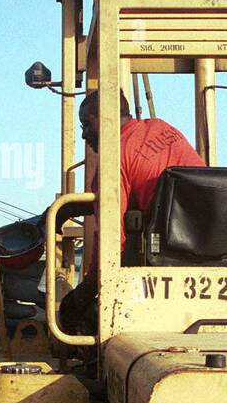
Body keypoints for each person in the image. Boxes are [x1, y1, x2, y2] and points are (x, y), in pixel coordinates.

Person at [60, 90, 204, 331]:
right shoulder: (163, 128)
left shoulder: (113, 160)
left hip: (168, 256)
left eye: (86, 124)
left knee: (82, 315)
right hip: (212, 244)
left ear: (104, 116)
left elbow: (112, 237)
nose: (84, 134)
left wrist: (88, 287)